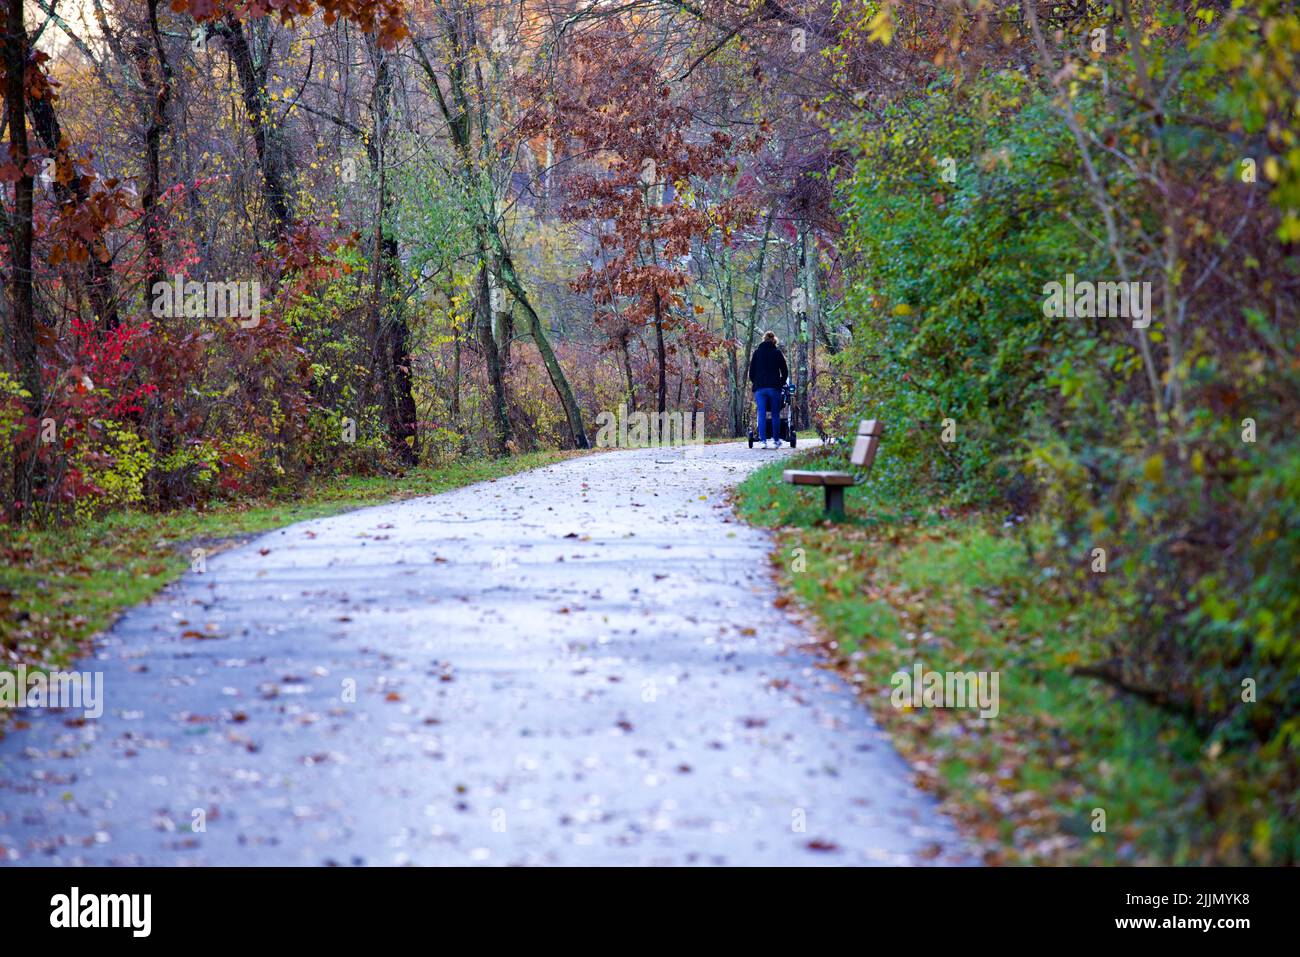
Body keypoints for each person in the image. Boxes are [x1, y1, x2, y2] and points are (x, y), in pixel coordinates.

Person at [748, 331, 789, 449]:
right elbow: (785, 372)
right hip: (774, 388)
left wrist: (756, 383)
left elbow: (751, 372)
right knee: (775, 414)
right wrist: (780, 383)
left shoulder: (757, 353)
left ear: (763, 339)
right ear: (774, 340)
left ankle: (763, 441)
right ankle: (776, 440)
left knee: (761, 414)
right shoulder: (777, 353)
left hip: (760, 388)